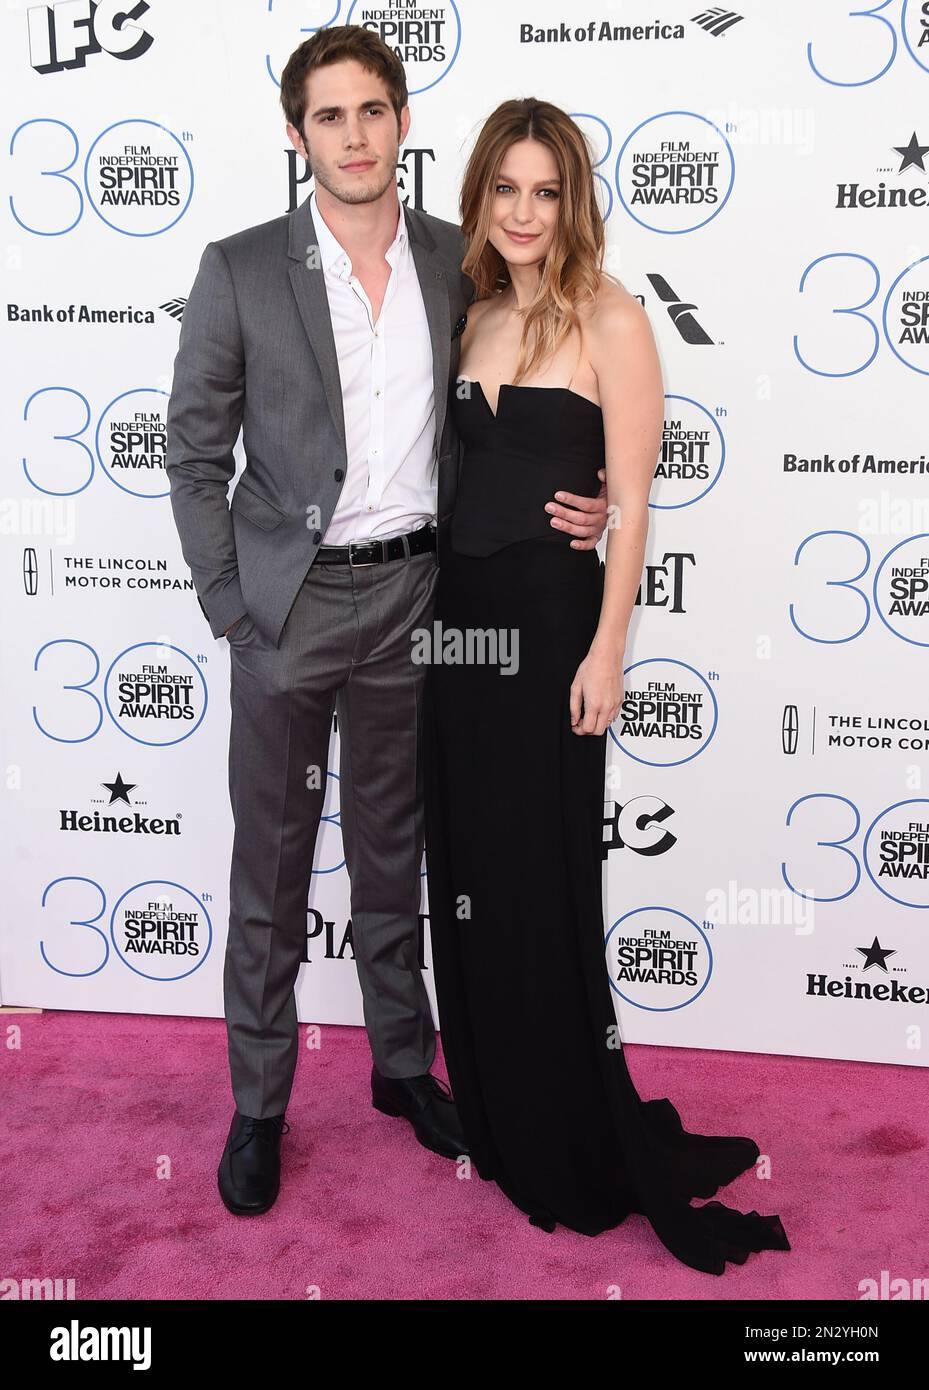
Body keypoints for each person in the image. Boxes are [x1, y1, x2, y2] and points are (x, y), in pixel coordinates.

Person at [164, 27, 608, 1217]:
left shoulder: (457, 261)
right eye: (328, 116)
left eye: (372, 111)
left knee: (393, 853)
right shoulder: (241, 268)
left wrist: (593, 481)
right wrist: (232, 608)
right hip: (288, 610)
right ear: (295, 132)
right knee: (267, 866)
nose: (353, 136)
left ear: (403, 121)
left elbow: (532, 389)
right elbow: (193, 456)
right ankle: (259, 1102)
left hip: (421, 598)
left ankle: (401, 1066)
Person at [421, 98, 792, 1276]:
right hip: (455, 632)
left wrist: (605, 651)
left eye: (545, 191)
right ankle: (499, 1109)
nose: (524, 212)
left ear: (570, 202)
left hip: (548, 629)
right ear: (479, 196)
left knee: (537, 881)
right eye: (504, 190)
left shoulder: (610, 317)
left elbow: (627, 506)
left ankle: (569, 1127)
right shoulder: (469, 315)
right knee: (469, 869)